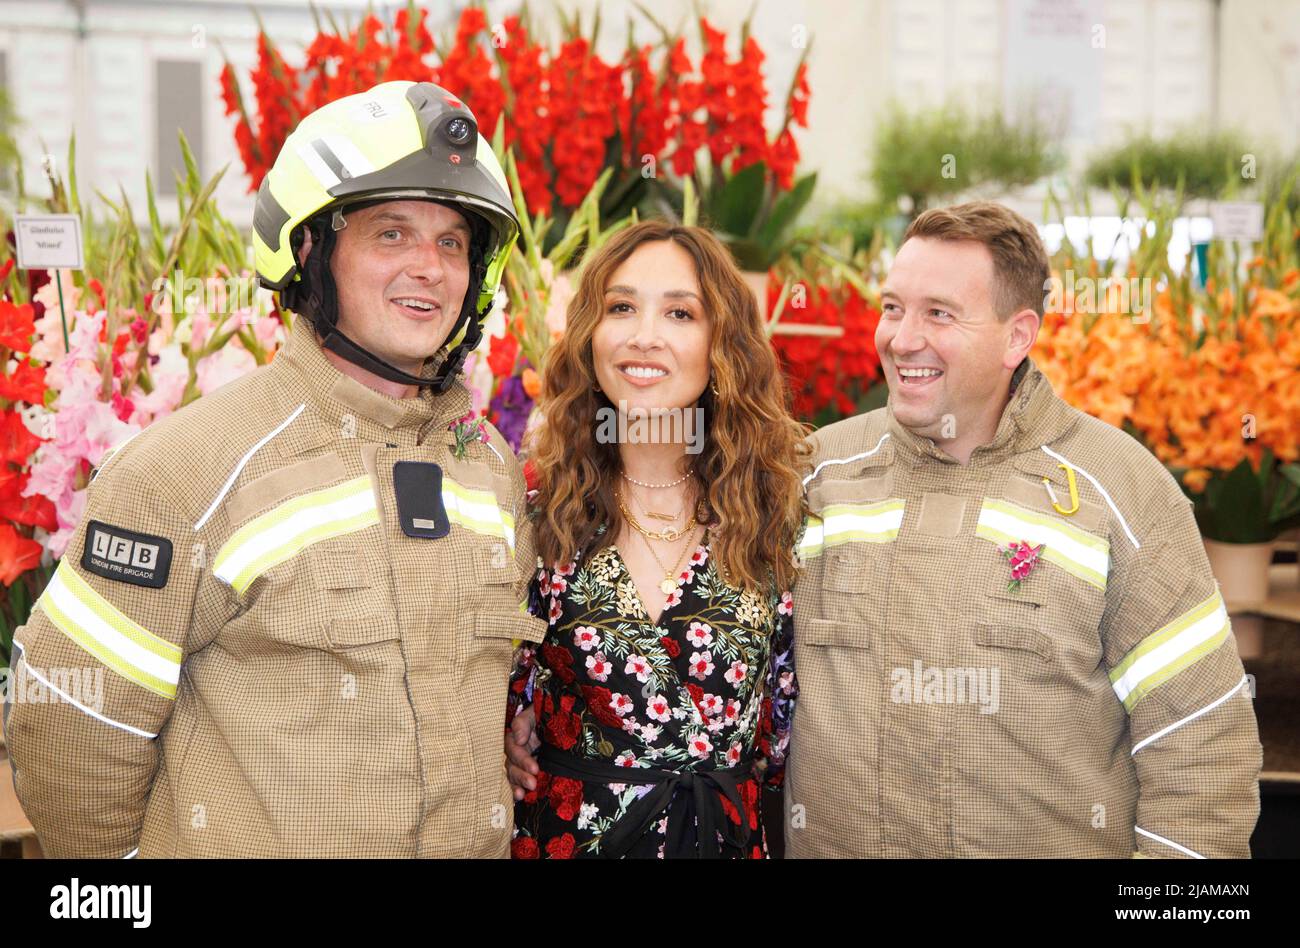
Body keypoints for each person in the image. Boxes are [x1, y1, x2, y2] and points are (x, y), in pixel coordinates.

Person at [2, 81, 545, 857]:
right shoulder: (182, 472)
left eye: (453, 241)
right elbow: (66, 727)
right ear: (309, 251)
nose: (430, 267)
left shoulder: (488, 468)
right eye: (391, 234)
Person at [786, 201, 1262, 857]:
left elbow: (1201, 739)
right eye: (893, 308)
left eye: (939, 313)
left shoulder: (1118, 490)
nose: (900, 338)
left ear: (1017, 337)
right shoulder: (813, 478)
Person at [503, 221, 807, 858]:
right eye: (620, 307)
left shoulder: (776, 519)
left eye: (679, 312)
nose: (645, 336)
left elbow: (789, 733)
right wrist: (498, 736)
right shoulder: (533, 514)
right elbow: (486, 687)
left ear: (722, 344)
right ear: (590, 337)